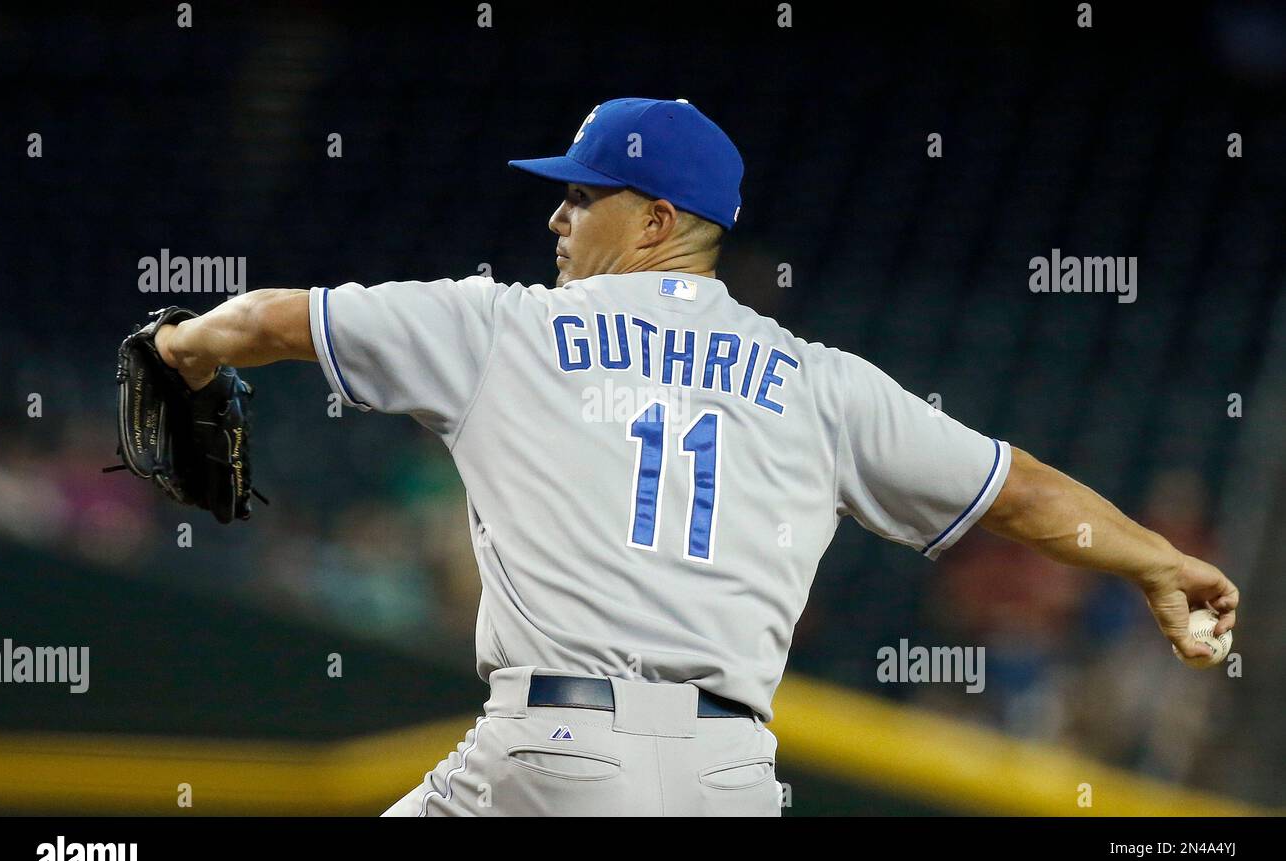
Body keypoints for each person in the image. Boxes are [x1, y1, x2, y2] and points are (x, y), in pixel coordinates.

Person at [151, 98, 1238, 816]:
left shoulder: (503, 327)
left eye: (582, 195)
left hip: (555, 752)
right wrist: (1155, 563)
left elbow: (266, 321)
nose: (556, 218)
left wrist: (178, 350)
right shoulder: (822, 384)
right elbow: (1018, 490)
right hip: (728, 777)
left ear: (658, 219)